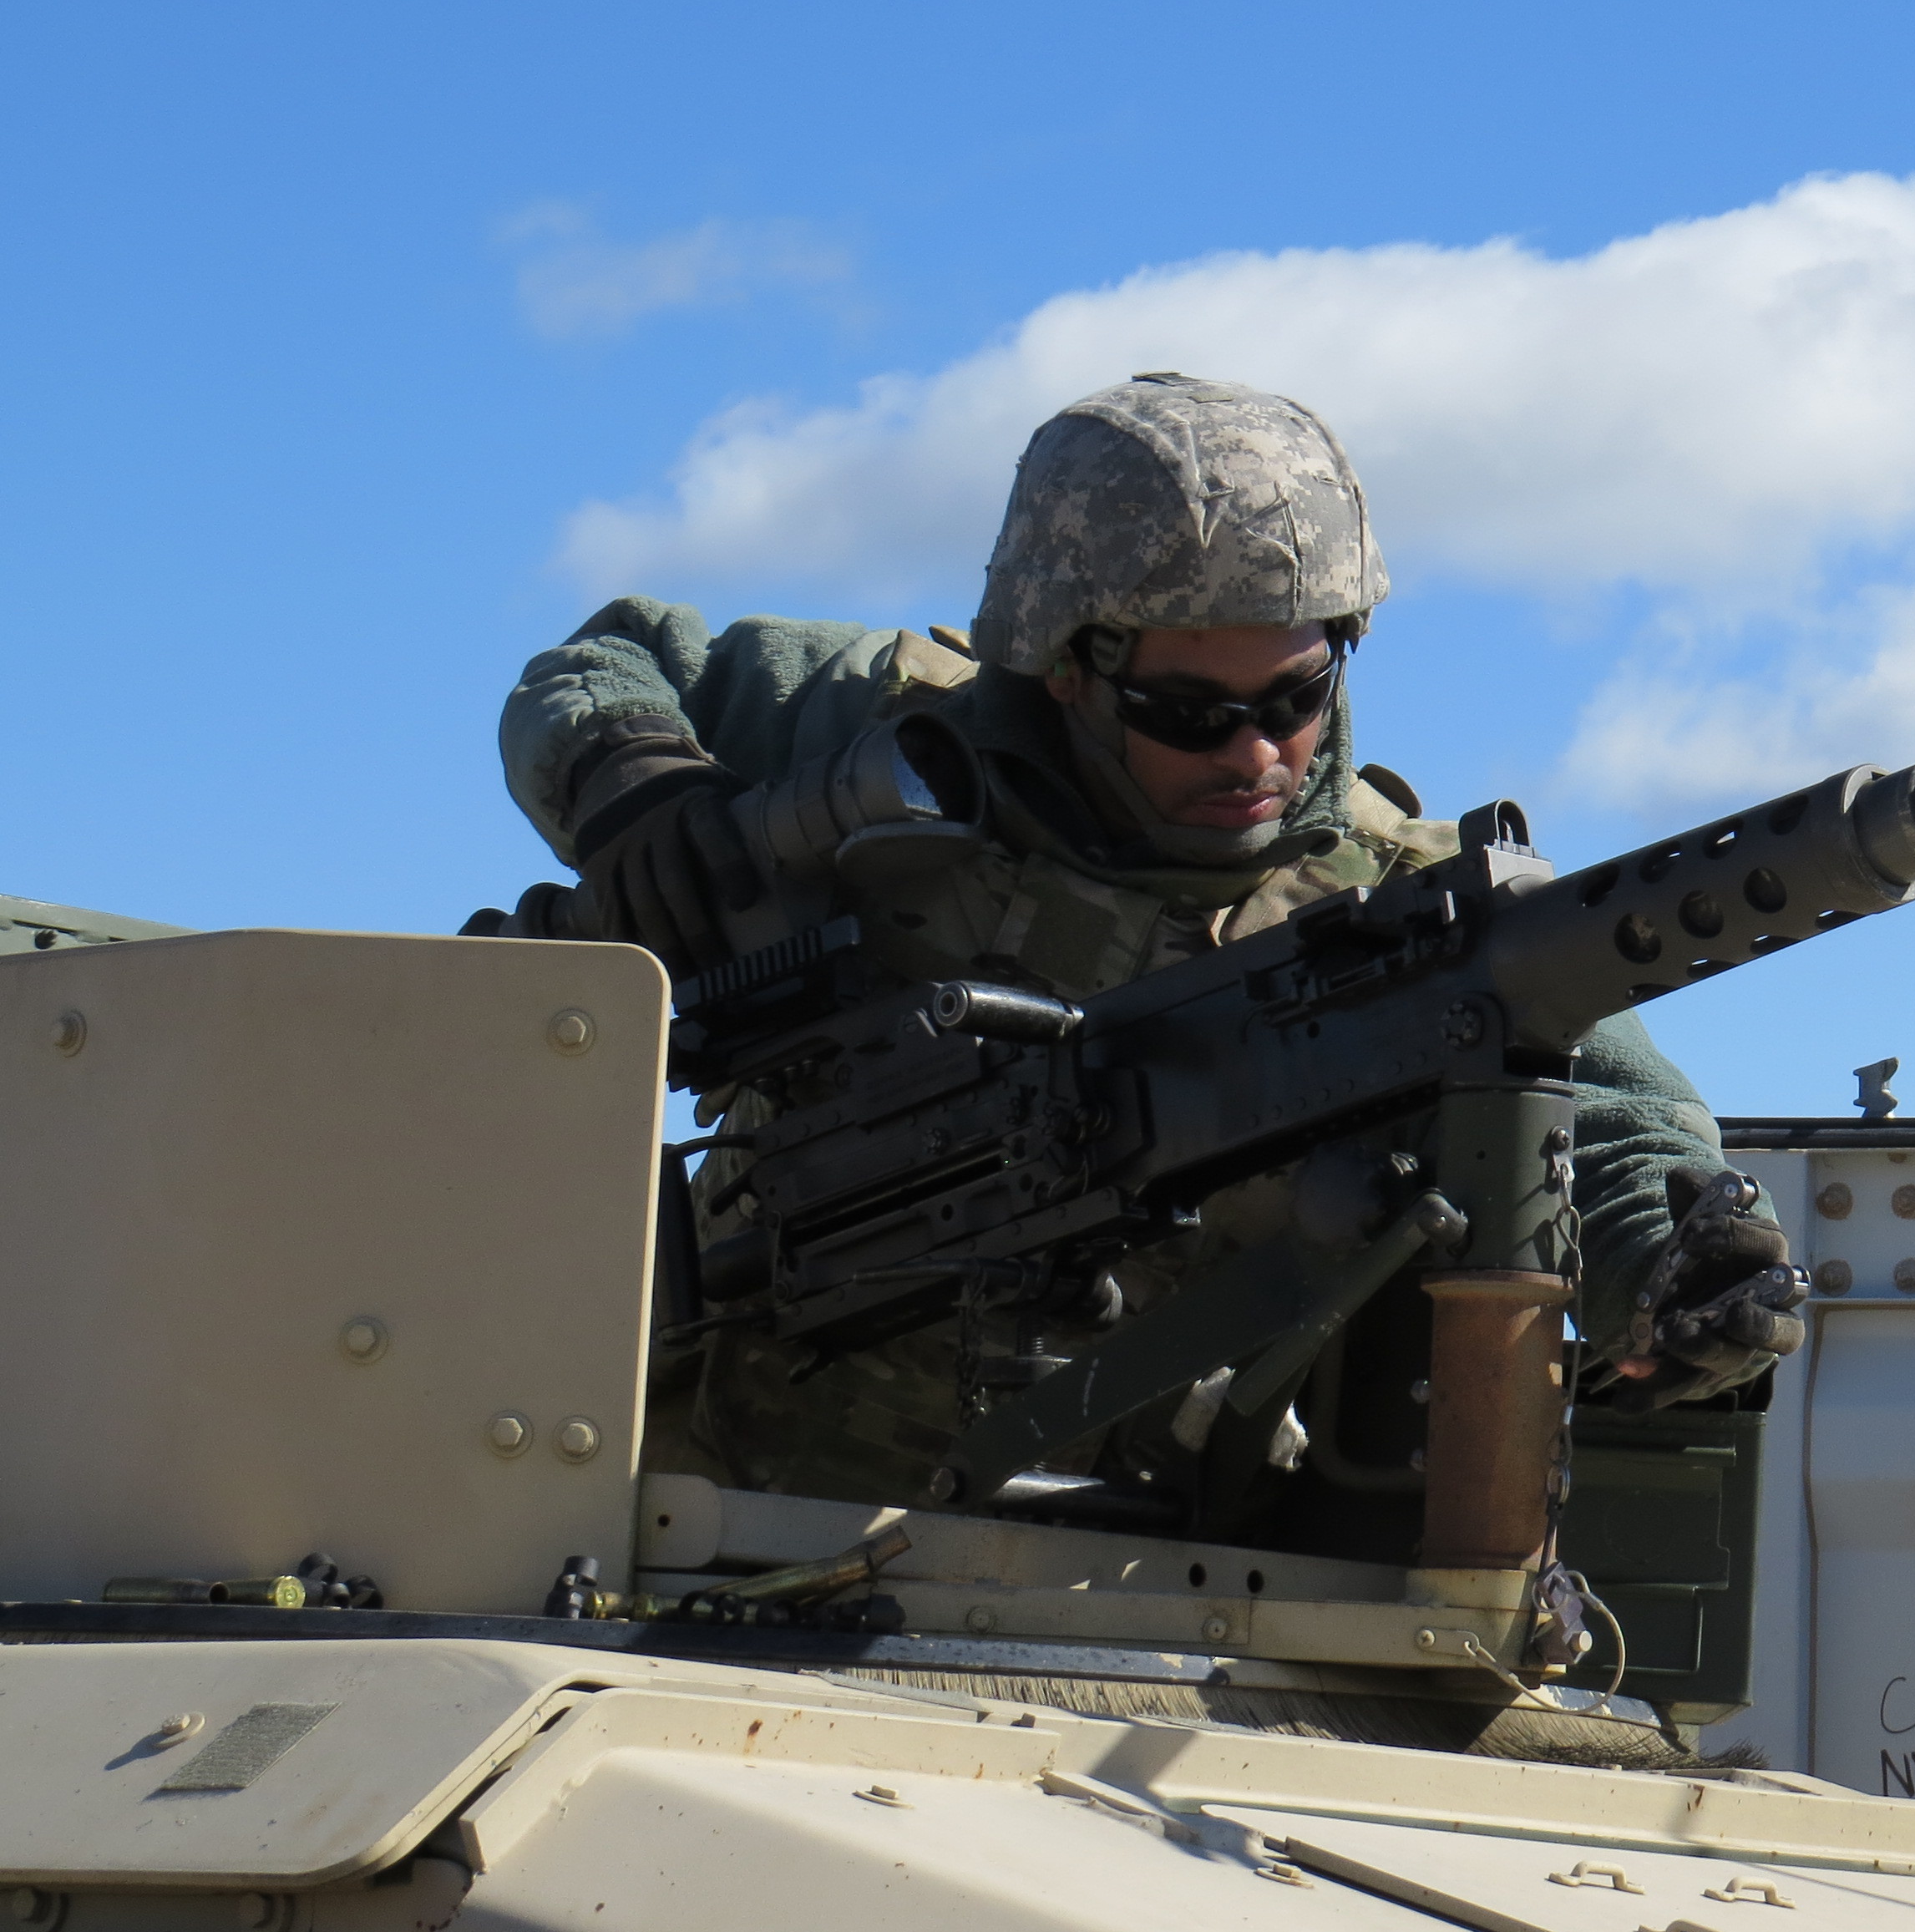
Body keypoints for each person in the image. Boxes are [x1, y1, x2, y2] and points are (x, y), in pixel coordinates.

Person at [487, 374, 1796, 1514]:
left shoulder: (1410, 914)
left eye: (1297, 697)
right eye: (1189, 710)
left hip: (1135, 1562)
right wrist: (633, 779)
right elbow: (611, 660)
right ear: (1065, 665)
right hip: (710, 1505)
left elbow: (1608, 1119)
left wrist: (1674, 1264)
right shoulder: (887, 729)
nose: (1256, 754)